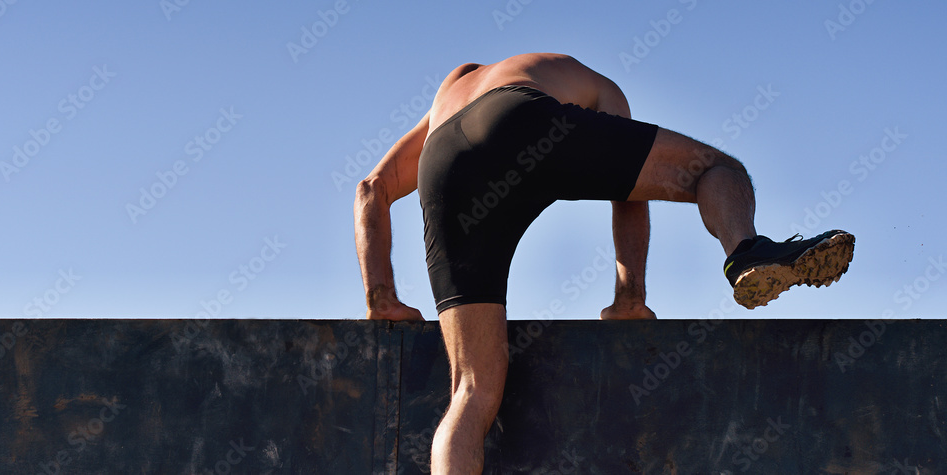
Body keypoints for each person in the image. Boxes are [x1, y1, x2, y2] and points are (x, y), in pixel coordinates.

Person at [352, 53, 854, 473]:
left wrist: (381, 299)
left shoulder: (455, 85)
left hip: (442, 161)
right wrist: (629, 299)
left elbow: (371, 190)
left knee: (472, 390)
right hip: (521, 118)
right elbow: (628, 197)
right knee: (716, 168)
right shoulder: (594, 83)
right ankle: (746, 253)